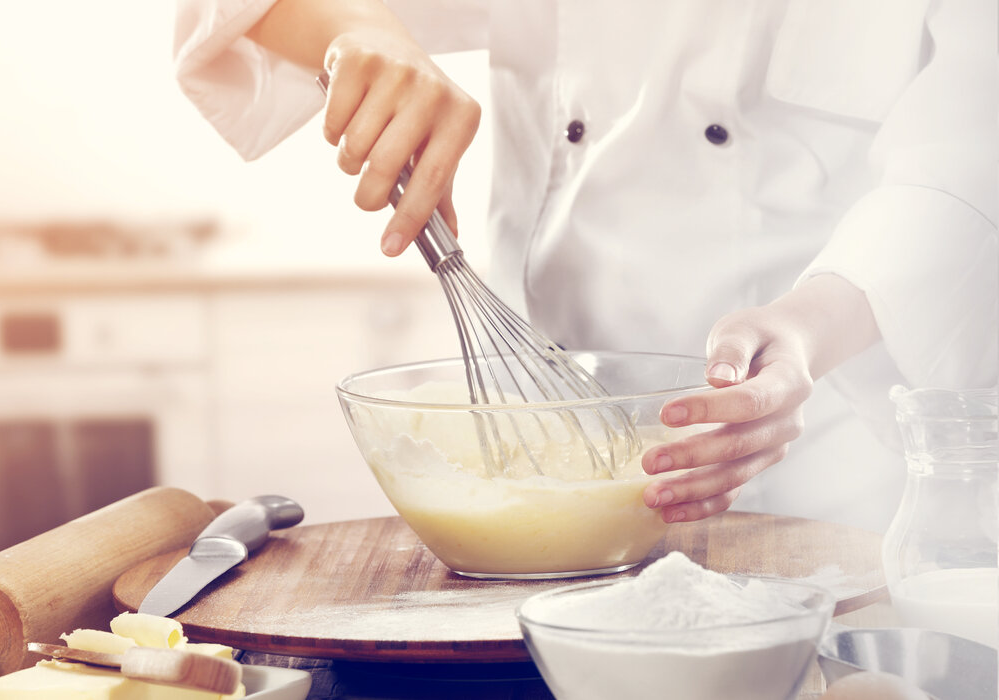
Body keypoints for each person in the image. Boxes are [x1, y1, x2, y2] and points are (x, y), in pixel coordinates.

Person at [174, 0, 998, 531]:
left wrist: (808, 331)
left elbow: (969, 161)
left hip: (813, 458)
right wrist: (361, 30)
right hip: (535, 455)